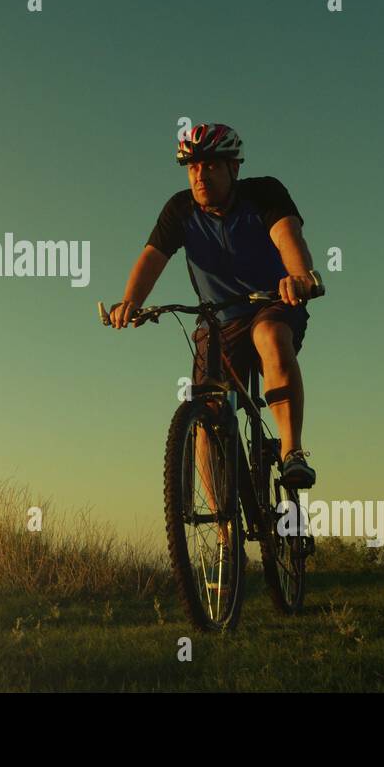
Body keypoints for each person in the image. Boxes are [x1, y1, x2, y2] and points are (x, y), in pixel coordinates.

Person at [108, 123, 319, 493]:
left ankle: (292, 452)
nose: (200, 176)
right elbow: (152, 258)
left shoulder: (265, 193)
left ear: (233, 168)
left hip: (273, 302)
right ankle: (223, 538)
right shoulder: (181, 209)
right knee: (205, 416)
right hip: (220, 319)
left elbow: (288, 236)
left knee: (270, 336)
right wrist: (130, 303)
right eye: (193, 168)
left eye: (210, 166)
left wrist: (299, 276)